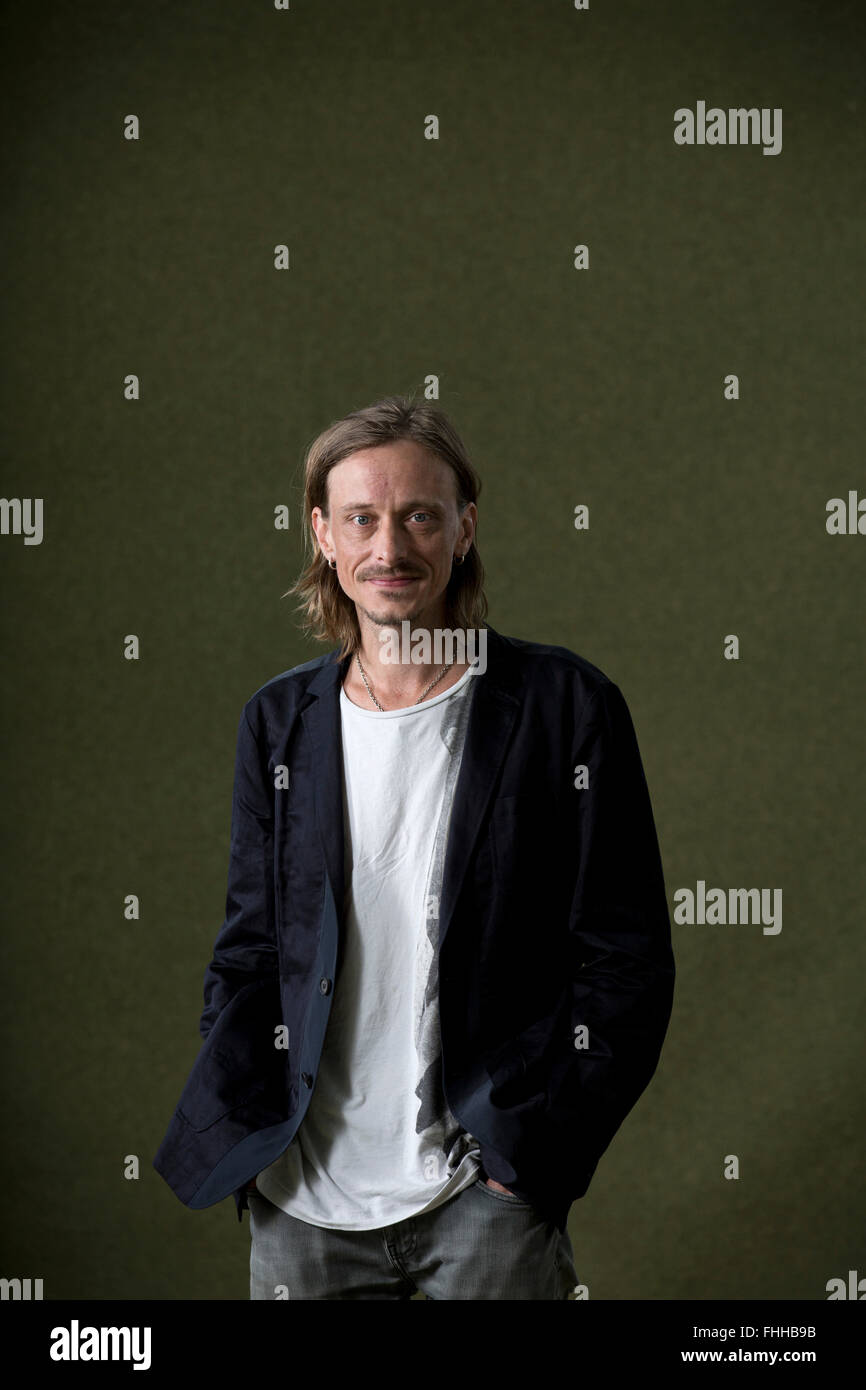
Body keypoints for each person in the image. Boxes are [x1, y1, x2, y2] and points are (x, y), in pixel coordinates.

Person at [153, 395, 676, 1300]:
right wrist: (250, 1128)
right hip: (302, 1202)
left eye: (418, 517)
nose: (388, 549)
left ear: (464, 528)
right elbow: (252, 950)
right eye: (361, 518)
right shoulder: (278, 722)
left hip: (485, 1200)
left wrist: (536, 1157)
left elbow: (624, 959)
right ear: (321, 533)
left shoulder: (564, 708)